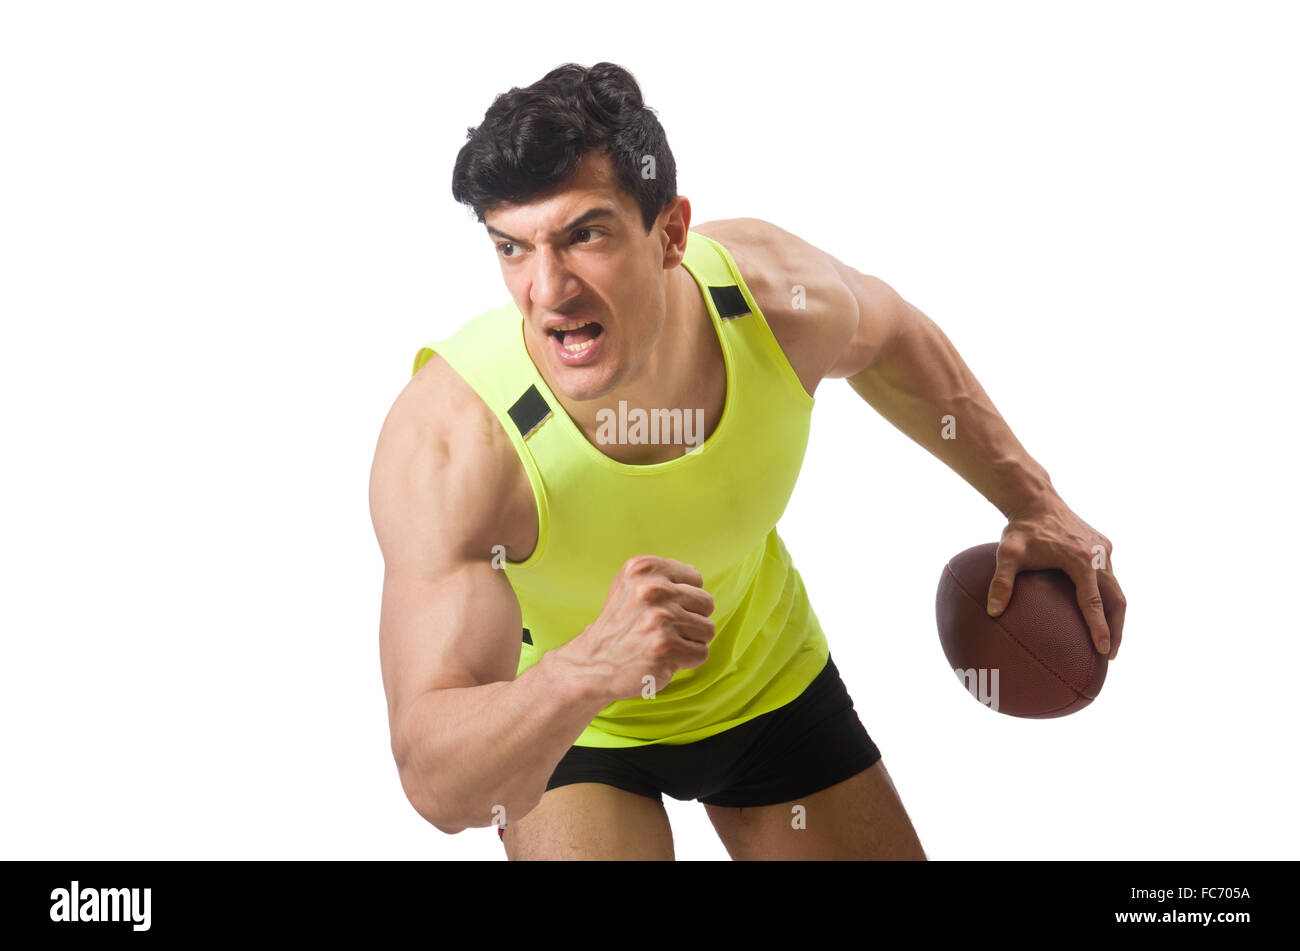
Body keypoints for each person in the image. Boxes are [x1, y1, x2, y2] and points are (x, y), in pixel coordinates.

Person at [368, 62, 1126, 860]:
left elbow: (895, 337)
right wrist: (582, 670)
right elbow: (434, 779)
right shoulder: (455, 441)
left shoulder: (771, 301)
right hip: (571, 725)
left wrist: (1031, 500)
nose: (549, 289)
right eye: (512, 247)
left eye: (583, 234)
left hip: (763, 680)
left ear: (670, 232)